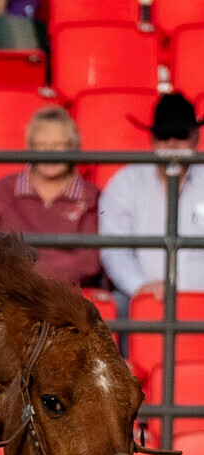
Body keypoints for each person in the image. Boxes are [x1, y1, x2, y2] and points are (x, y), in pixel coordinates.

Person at [0, 105, 102, 288]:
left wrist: (33, 275)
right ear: (30, 148)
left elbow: (89, 262)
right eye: (41, 146)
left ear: (73, 148)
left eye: (58, 146)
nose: (49, 154)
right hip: (8, 290)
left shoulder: (91, 196)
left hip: (68, 297)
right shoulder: (4, 189)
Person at [99, 92, 204, 305]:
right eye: (164, 136)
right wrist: (140, 286)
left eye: (180, 134)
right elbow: (114, 249)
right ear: (152, 138)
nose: (172, 144)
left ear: (196, 136)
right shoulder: (126, 182)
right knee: (113, 308)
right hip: (141, 299)